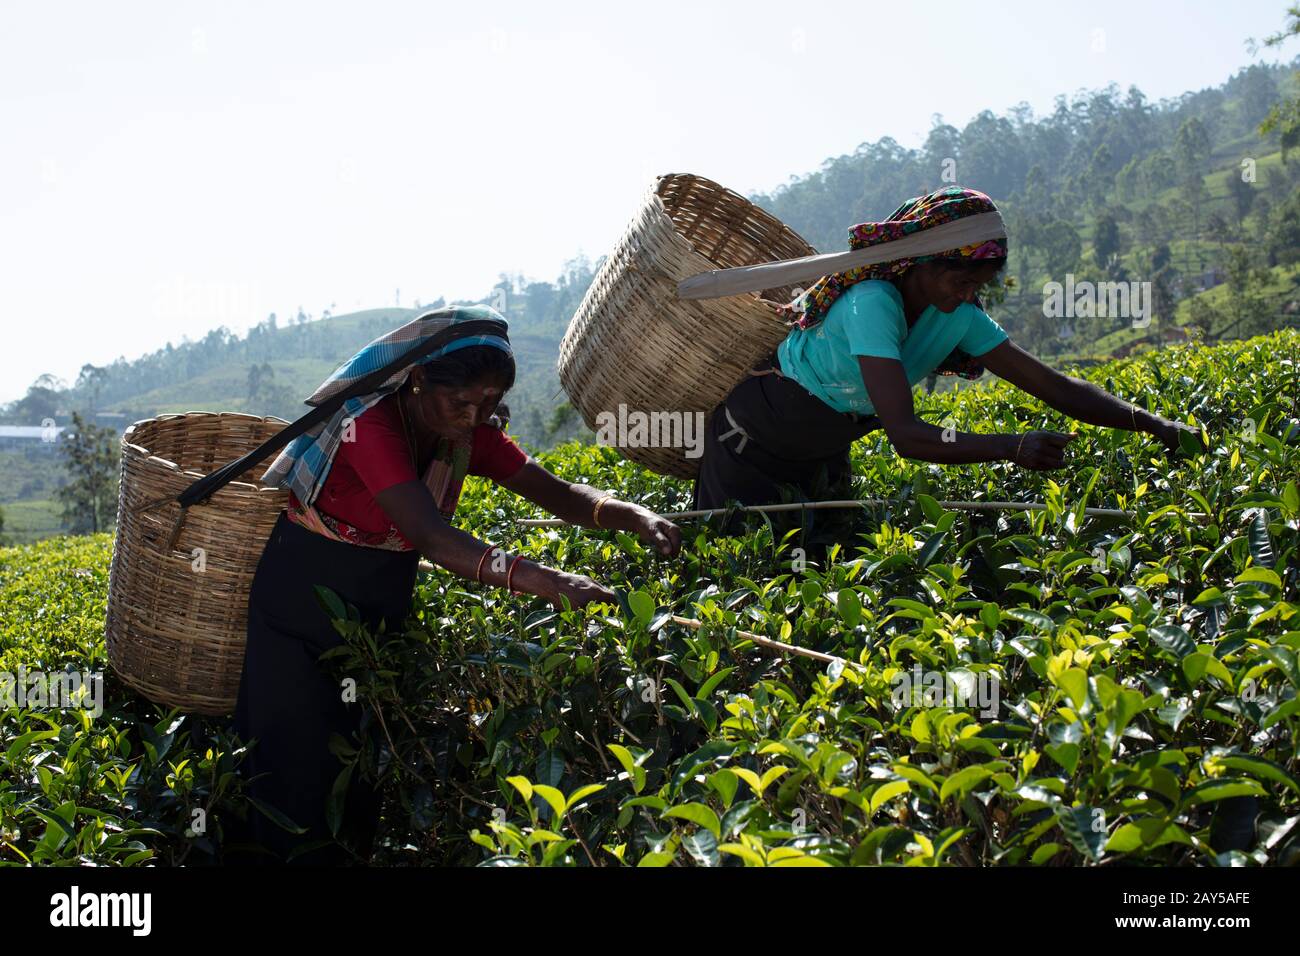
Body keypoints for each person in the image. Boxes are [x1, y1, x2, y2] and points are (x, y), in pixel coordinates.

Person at [224, 304, 682, 865]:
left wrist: (634, 514)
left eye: (488, 403)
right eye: (462, 401)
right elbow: (432, 538)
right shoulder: (368, 425)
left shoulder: (465, 434)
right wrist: (552, 581)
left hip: (379, 602)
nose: (475, 416)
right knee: (293, 760)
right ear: (416, 379)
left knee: (361, 757)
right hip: (302, 602)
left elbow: (559, 495)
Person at [691, 186, 1202, 514]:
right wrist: (1010, 446)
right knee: (742, 572)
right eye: (958, 280)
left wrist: (1156, 426)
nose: (966, 295)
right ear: (920, 263)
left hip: (822, 448)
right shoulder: (872, 302)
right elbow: (907, 438)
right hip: (751, 444)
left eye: (976, 285)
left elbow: (1055, 386)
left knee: (824, 565)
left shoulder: (956, 316)